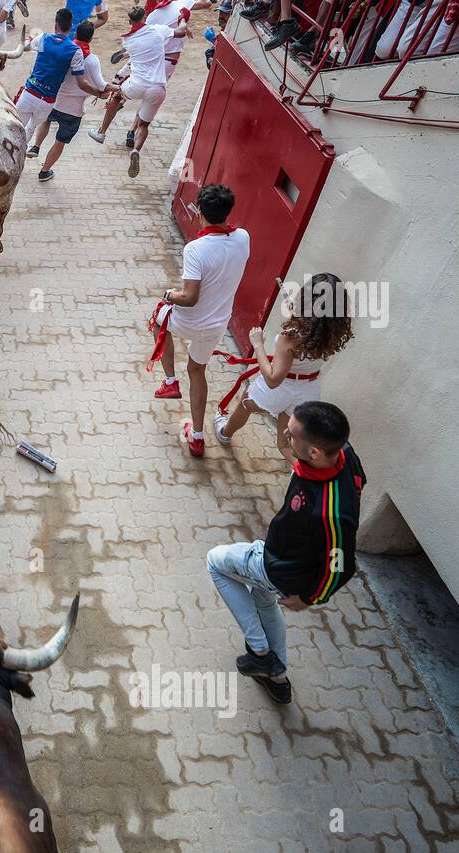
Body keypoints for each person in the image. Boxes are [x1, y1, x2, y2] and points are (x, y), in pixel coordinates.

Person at [206, 402, 365, 704]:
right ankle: (277, 680)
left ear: (315, 452)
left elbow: (342, 565)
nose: (284, 434)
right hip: (286, 559)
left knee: (215, 562)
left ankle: (260, 652)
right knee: (263, 600)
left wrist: (310, 599)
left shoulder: (332, 514)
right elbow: (359, 482)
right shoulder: (344, 452)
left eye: (291, 435)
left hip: (277, 567)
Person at [147, 183, 249, 457]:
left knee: (157, 320)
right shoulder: (243, 238)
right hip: (217, 324)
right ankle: (198, 436)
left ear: (201, 214)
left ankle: (169, 381)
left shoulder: (195, 249)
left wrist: (170, 295)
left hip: (191, 319)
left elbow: (189, 297)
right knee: (196, 370)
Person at [214, 273, 353, 454]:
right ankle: (301, 472)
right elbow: (313, 330)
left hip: (281, 387)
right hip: (307, 390)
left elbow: (273, 379)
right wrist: (299, 317)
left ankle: (225, 433)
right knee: (284, 445)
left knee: (246, 402)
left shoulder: (291, 337)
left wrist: (258, 345)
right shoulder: (333, 331)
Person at [86, 5, 188, 178]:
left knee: (116, 96)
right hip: (158, 87)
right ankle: (136, 151)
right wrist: (183, 18)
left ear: (129, 21)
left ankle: (102, 132)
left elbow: (130, 55)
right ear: (145, 17)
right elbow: (181, 32)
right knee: (143, 125)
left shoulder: (127, 41)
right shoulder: (159, 30)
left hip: (137, 84)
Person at [119, 0, 210, 150]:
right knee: (151, 93)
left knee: (136, 79)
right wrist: (183, 20)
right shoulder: (181, 4)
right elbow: (206, 4)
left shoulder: (152, 15)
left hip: (150, 55)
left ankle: (121, 99)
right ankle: (132, 130)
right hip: (169, 60)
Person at [26, 19, 107, 181]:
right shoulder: (91, 60)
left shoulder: (65, 50)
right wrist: (111, 89)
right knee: (60, 141)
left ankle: (35, 146)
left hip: (55, 100)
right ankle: (44, 171)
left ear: (75, 33)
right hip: (73, 110)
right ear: (90, 39)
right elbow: (101, 85)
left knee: (46, 121)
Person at [15, 8, 97, 141]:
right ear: (71, 27)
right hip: (47, 103)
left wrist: (28, 39)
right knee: (30, 128)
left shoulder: (44, 38)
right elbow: (82, 84)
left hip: (29, 95)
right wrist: (99, 93)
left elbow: (25, 47)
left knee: (14, 130)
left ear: (55, 25)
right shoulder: (75, 51)